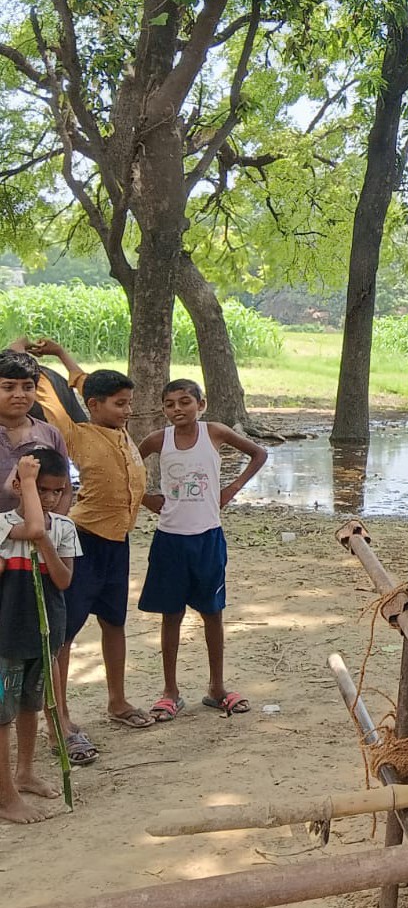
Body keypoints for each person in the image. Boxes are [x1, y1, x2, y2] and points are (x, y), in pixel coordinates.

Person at [21, 337, 153, 753]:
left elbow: (82, 380)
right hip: (84, 544)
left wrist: (61, 354)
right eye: (119, 403)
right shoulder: (76, 434)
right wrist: (26, 356)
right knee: (64, 634)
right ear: (95, 406)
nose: (127, 410)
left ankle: (117, 700)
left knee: (115, 622)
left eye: (129, 403)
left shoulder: (121, 430)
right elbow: (45, 391)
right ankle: (57, 717)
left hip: (118, 544)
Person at [136, 379, 268, 721]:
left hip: (207, 538)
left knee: (213, 614)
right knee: (171, 616)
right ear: (163, 409)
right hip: (170, 539)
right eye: (170, 404)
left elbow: (259, 453)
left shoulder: (215, 433)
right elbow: (128, 470)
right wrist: (147, 499)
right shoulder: (157, 440)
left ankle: (217, 688)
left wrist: (232, 488)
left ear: (201, 404)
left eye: (185, 402)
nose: (177, 409)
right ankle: (170, 691)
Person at [0, 448, 80, 823]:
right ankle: (5, 795)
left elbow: (63, 580)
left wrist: (47, 542)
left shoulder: (63, 527)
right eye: (41, 489)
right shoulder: (2, 526)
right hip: (6, 636)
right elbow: (31, 528)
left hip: (45, 632)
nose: (50, 498)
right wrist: (28, 485)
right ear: (18, 486)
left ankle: (25, 771)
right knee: (3, 715)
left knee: (32, 704)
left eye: (57, 491)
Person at [0, 350, 71, 518]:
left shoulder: (50, 434)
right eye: (8, 387)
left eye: (28, 387)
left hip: (38, 536)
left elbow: (65, 490)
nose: (19, 395)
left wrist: (52, 528)